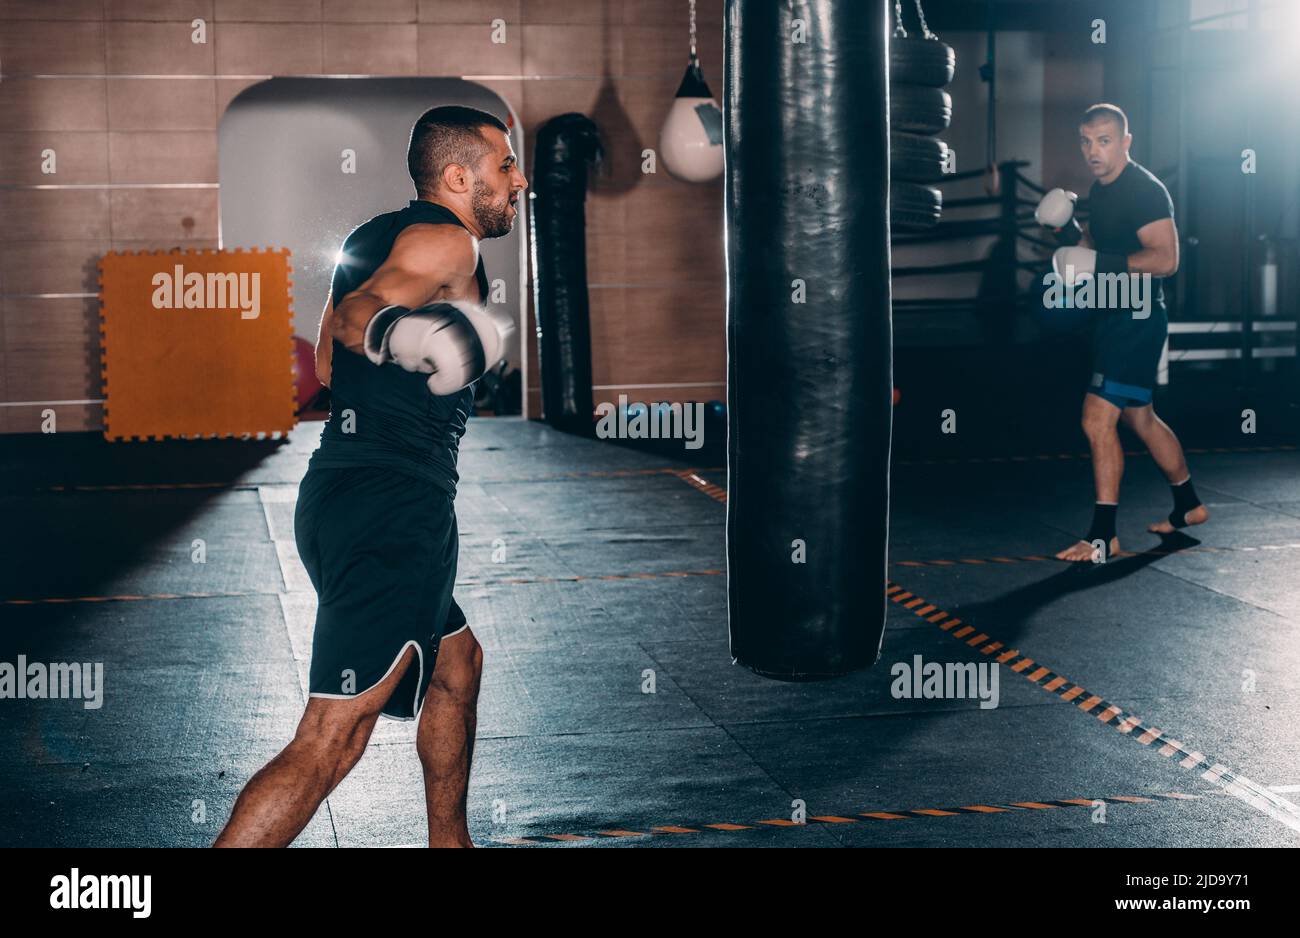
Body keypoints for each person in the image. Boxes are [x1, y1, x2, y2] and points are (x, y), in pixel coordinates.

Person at [214, 105, 527, 847]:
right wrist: (410, 335)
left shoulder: (370, 235)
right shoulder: (448, 242)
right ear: (459, 176)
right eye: (505, 165)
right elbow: (358, 317)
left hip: (341, 494)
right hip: (393, 507)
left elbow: (325, 364)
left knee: (458, 665)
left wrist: (419, 350)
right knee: (333, 737)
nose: (519, 182)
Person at [1035, 104, 1207, 563]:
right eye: (1087, 141)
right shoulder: (1101, 189)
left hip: (1137, 318)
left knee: (1096, 420)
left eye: (1105, 141)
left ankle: (1102, 538)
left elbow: (1166, 260)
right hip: (1111, 315)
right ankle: (1188, 505)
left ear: (1126, 142)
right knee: (1141, 419)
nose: (1094, 150)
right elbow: (1089, 248)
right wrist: (1064, 227)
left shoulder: (1145, 192)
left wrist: (1098, 263)